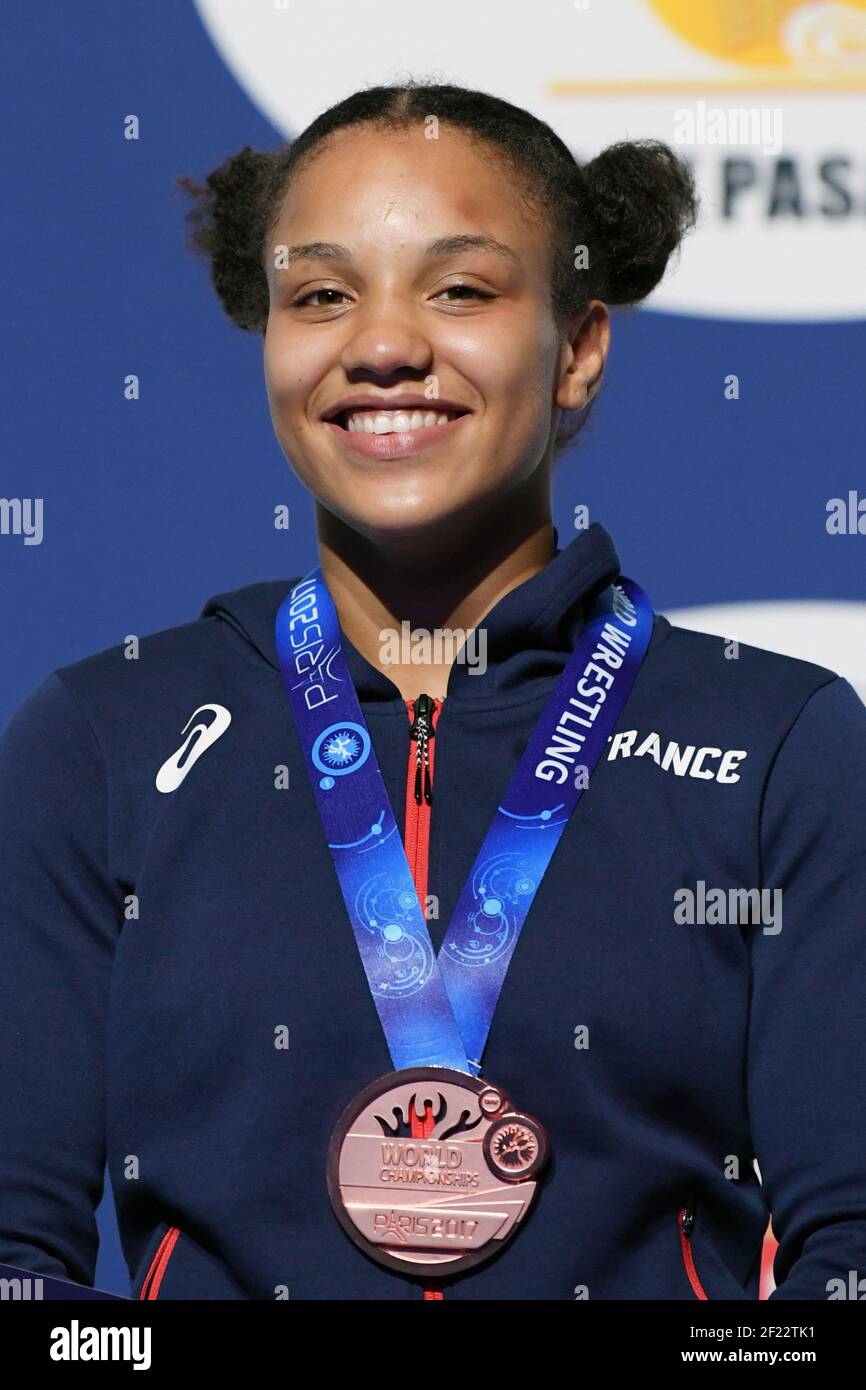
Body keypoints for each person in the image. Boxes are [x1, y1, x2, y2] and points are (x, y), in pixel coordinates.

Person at [1, 79, 865, 1302]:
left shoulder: (778, 741)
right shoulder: (100, 737)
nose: (383, 341)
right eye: (320, 294)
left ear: (575, 350)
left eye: (459, 287)